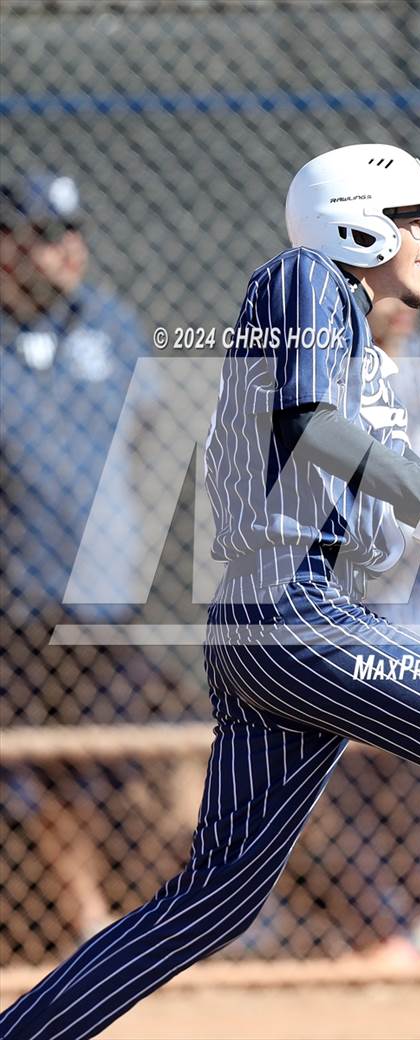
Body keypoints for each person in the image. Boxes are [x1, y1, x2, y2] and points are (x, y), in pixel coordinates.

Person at [1, 144, 420, 1040]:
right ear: (356, 218)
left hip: (282, 620)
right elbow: (307, 420)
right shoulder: (305, 278)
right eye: (416, 221)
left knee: (217, 900)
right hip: (295, 616)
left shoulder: (363, 356)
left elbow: (377, 517)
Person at [0, 174, 187, 958]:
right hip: (19, 601)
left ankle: (120, 915)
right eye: (45, 233)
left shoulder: (110, 324)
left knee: (117, 767)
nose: (66, 247)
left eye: (72, 230)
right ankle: (80, 919)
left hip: (109, 598)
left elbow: (146, 433)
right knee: (40, 775)